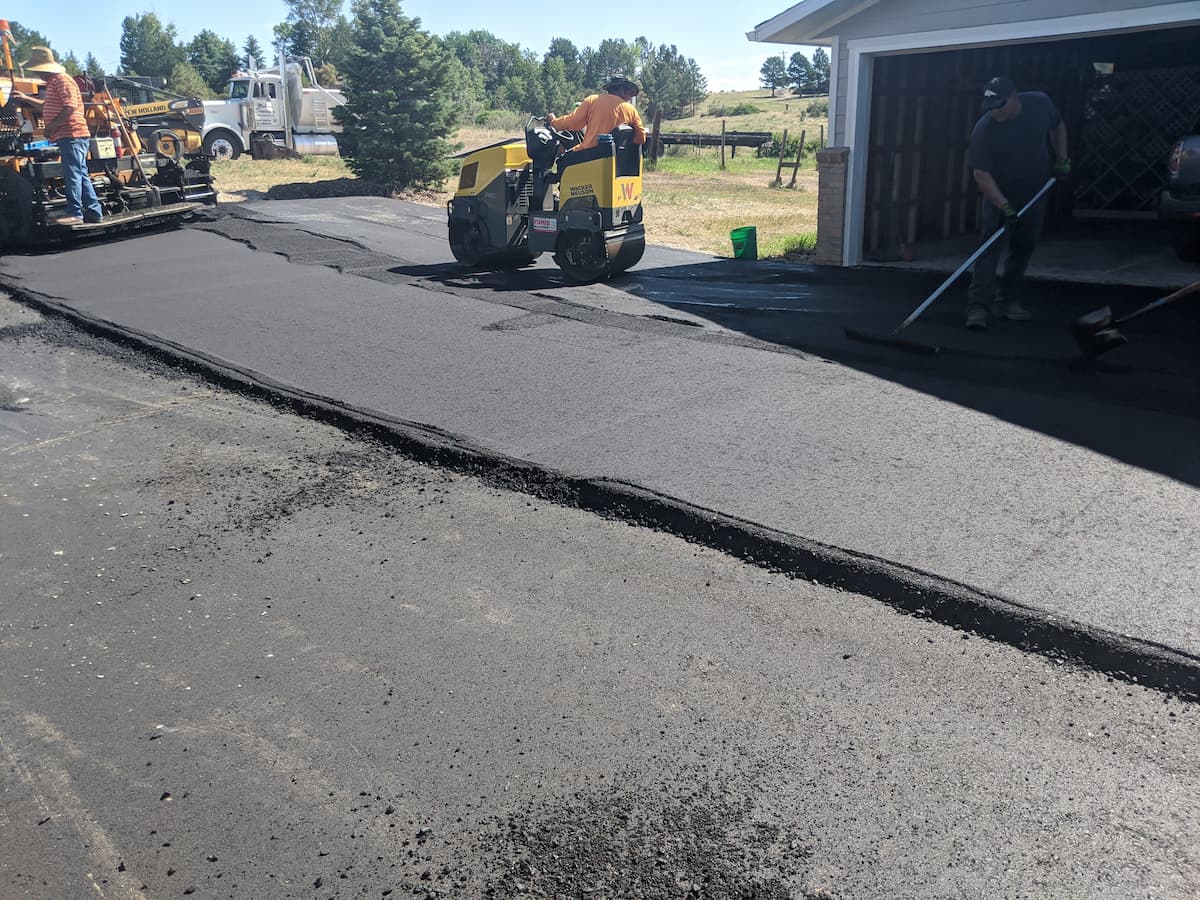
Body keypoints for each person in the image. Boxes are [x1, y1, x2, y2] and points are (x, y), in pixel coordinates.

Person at [964, 76, 1069, 330]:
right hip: (998, 192)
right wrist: (1004, 206)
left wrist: (1062, 158)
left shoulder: (1040, 104)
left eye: (999, 106)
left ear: (1013, 97)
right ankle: (978, 307)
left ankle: (1007, 301)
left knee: (1023, 246)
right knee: (989, 247)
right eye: (990, 108)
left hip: (1035, 191)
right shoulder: (984, 129)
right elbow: (981, 174)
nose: (995, 112)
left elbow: (1058, 127)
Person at [12, 47, 103, 226]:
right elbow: (46, 106)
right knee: (80, 172)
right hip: (69, 134)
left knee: (73, 172)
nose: (37, 74)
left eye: (38, 70)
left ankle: (75, 213)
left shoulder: (62, 81)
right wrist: (26, 98)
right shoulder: (55, 83)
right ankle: (94, 211)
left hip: (72, 133)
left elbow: (70, 107)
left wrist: (52, 126)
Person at [547, 74, 646, 152]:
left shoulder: (593, 100)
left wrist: (553, 122)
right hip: (618, 162)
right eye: (629, 92)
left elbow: (573, 122)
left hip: (590, 157)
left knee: (562, 162)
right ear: (622, 90)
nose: (630, 97)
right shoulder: (631, 110)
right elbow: (641, 138)